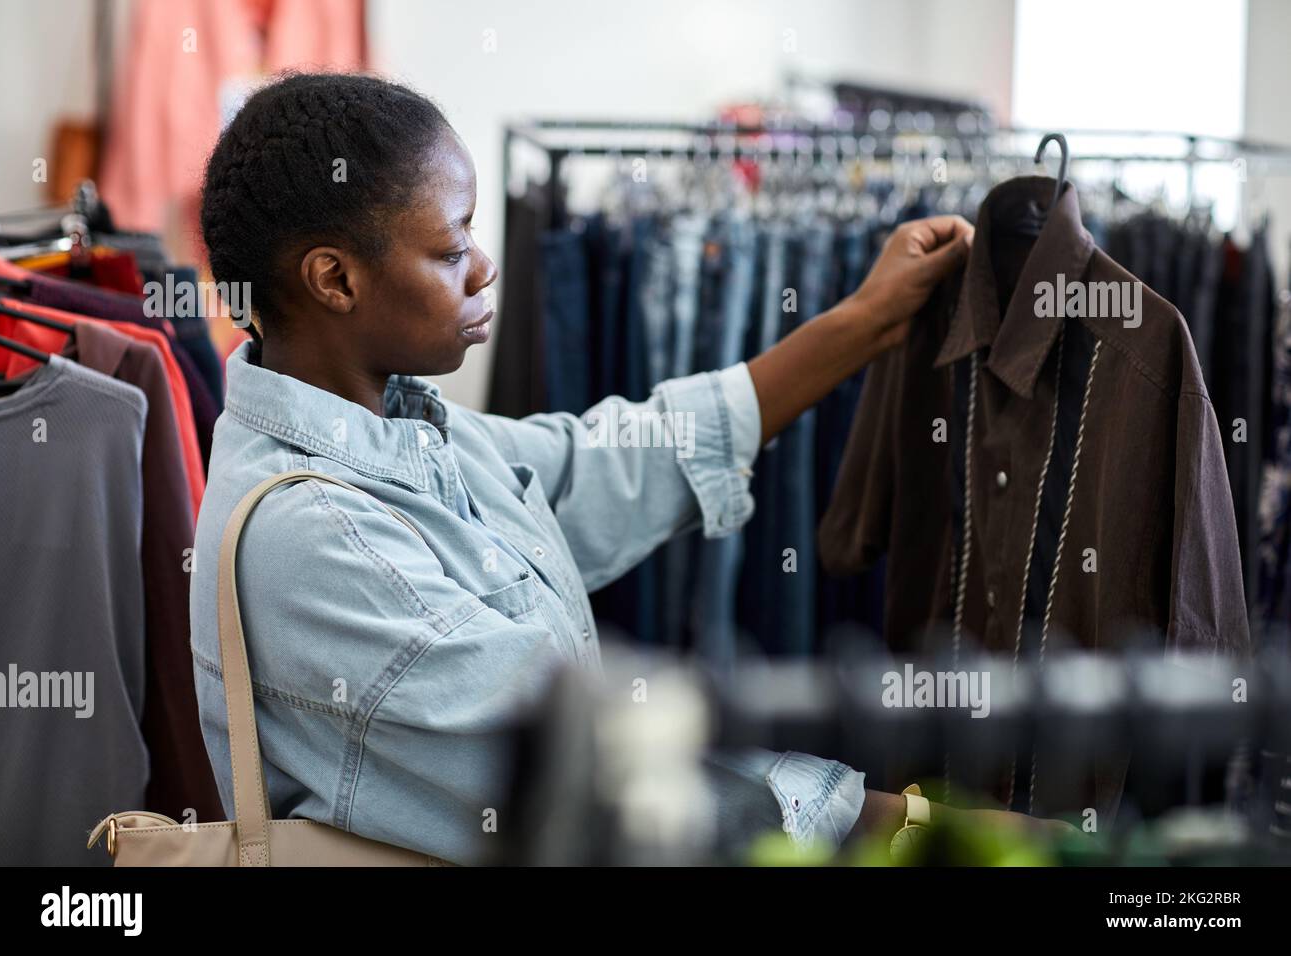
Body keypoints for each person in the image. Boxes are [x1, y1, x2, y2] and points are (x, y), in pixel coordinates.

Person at [191, 71, 1063, 865]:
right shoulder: (319, 536)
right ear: (335, 281)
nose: (486, 266)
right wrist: (915, 824)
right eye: (452, 249)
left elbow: (602, 463)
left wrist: (867, 321)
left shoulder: (401, 426)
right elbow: (597, 759)